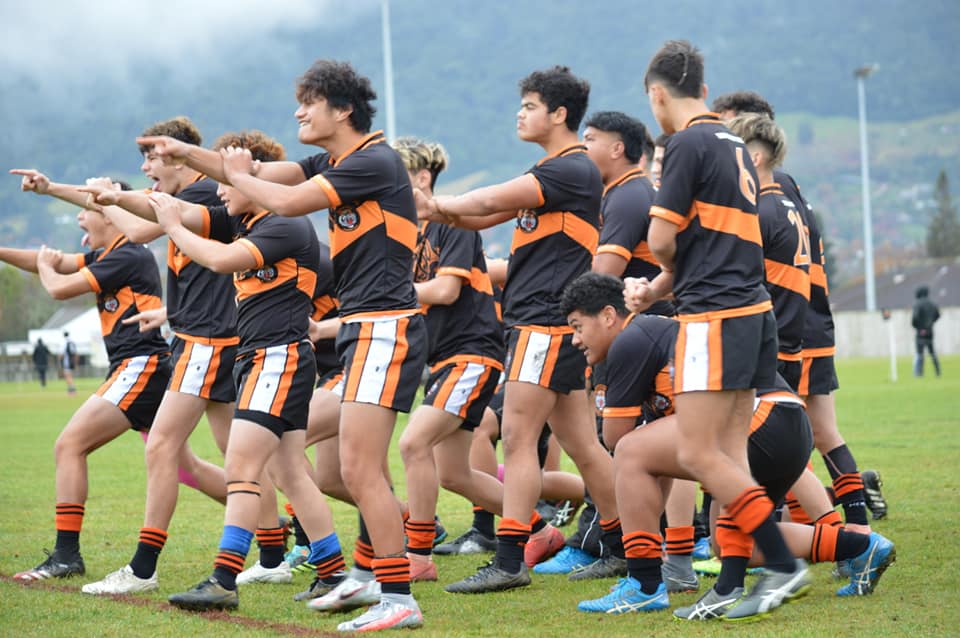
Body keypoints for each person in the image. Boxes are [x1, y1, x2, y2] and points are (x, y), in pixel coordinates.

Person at [138, 60, 427, 631]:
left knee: (358, 468)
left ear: (342, 110)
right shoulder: (334, 162)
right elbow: (250, 173)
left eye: (309, 103)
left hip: (383, 325)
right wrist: (184, 152)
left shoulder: (372, 160)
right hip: (361, 328)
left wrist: (198, 200)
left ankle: (398, 595)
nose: (298, 113)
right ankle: (363, 576)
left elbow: (287, 199)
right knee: (338, 467)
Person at [564, 273, 895, 619]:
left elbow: (616, 438)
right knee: (728, 545)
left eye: (577, 327)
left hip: (759, 420)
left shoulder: (631, 339)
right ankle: (862, 547)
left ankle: (644, 585)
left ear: (608, 315)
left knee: (631, 450)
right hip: (785, 424)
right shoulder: (649, 333)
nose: (575, 340)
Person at [417, 65, 622, 595]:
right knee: (583, 446)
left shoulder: (570, 168)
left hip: (543, 323)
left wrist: (435, 203)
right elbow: (480, 218)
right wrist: (436, 212)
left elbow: (487, 201)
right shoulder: (555, 171)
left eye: (530, 106)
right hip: (549, 323)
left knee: (518, 439)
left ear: (559, 114)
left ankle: (509, 560)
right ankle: (626, 546)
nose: (520, 114)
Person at [627, 40, 808, 620]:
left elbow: (660, 238)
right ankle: (730, 582)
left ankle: (782, 561)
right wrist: (659, 288)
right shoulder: (733, 141)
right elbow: (716, 242)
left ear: (657, 95)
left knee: (698, 453)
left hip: (714, 317)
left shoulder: (685, 143)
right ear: (703, 90)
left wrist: (660, 271)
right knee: (731, 459)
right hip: (753, 313)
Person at [143, 136, 347, 613]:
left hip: (276, 359)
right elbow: (173, 209)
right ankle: (333, 571)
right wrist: (108, 199)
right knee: (291, 471)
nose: (219, 191)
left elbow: (217, 259)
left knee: (241, 467)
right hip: (268, 359)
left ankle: (223, 578)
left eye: (226, 182)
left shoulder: (285, 224)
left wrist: (172, 226)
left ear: (255, 183)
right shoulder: (246, 220)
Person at [75, 117, 244, 595]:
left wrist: (108, 197)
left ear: (176, 156)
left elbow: (136, 223)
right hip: (204, 338)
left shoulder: (202, 193)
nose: (147, 169)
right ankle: (280, 551)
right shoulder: (190, 195)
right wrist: (67, 192)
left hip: (206, 341)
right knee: (242, 458)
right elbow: (134, 224)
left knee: (162, 446)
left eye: (152, 158)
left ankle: (143, 568)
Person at [713, 90, 888, 522]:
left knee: (794, 431)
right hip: (807, 322)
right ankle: (838, 521)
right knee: (809, 432)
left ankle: (843, 525)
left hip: (793, 325)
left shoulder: (769, 195)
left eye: (728, 125)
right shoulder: (785, 191)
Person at [3, 176, 172, 583]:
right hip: (140, 367)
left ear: (110, 216)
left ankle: (66, 556)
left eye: (85, 210)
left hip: (141, 365)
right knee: (186, 469)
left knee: (69, 445)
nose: (80, 218)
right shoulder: (111, 253)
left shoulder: (127, 255)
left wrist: (46, 267)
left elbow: (58, 286)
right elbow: (52, 262)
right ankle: (269, 526)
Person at [393, 137, 505, 583]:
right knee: (455, 474)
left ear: (422, 178)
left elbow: (444, 291)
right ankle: (537, 530)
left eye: (394, 177)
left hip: (472, 352)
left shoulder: (452, 222)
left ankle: (418, 556)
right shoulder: (408, 232)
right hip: (444, 359)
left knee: (412, 444)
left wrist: (387, 294)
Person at [912, 285, 941, 377]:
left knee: (920, 353)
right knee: (932, 352)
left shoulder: (917, 304)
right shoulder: (932, 303)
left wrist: (919, 328)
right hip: (930, 331)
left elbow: (915, 318)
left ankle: (919, 373)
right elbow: (938, 315)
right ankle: (938, 371)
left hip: (920, 332)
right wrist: (930, 324)